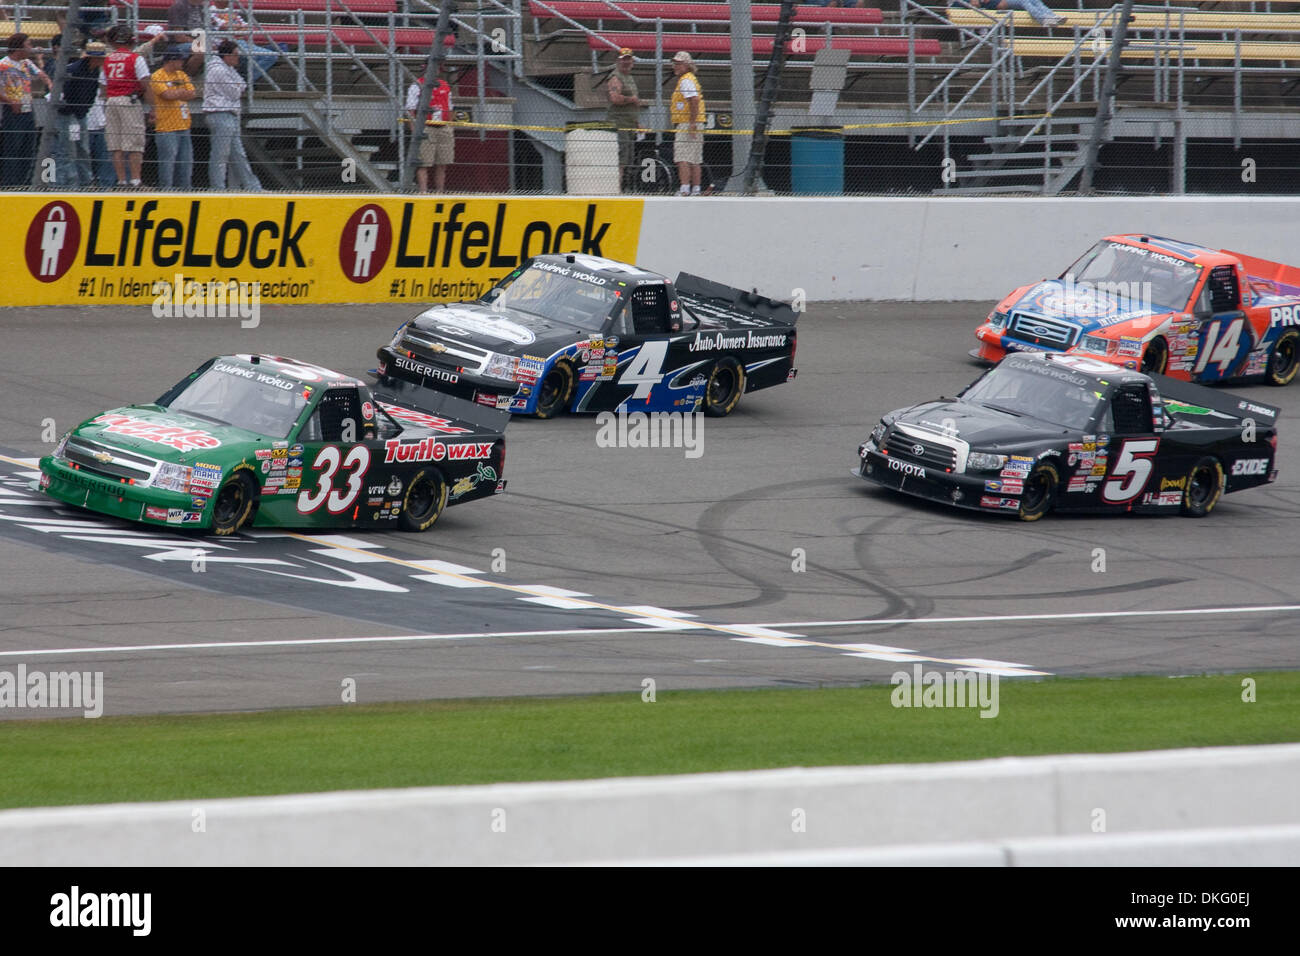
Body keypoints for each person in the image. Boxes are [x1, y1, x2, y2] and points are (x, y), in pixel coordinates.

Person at [203, 39, 261, 190]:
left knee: (238, 154)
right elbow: (234, 92)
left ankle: (252, 186)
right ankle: (218, 188)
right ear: (226, 55)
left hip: (230, 114)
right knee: (220, 155)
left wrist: (237, 86)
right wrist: (237, 87)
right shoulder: (218, 70)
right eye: (235, 54)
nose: (237, 58)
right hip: (220, 114)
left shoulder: (229, 69)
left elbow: (242, 84)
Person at [101, 24, 153, 187]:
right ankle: (136, 180)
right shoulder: (135, 58)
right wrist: (154, 108)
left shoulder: (108, 59)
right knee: (135, 143)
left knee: (116, 145)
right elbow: (145, 84)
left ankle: (121, 180)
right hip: (129, 101)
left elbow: (103, 86)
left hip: (111, 101)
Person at [52, 40, 107, 188]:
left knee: (83, 149)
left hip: (80, 114)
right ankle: (65, 184)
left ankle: (85, 182)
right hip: (67, 114)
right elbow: (66, 94)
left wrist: (84, 109)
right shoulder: (74, 70)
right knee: (66, 151)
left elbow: (91, 93)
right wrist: (76, 110)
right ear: (94, 58)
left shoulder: (94, 71)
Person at [0, 33, 50, 188]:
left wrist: (50, 83)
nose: (31, 48)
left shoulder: (27, 63)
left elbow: (41, 74)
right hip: (12, 112)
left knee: (28, 148)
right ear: (19, 47)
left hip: (28, 110)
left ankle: (23, 182)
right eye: (28, 44)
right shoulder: (3, 65)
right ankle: (9, 183)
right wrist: (10, 102)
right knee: (12, 148)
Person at [405, 61, 454, 194]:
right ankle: (423, 192)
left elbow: (449, 107)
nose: (436, 71)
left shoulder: (445, 85)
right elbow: (410, 110)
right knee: (423, 163)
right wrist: (414, 129)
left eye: (438, 68)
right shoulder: (417, 85)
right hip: (426, 126)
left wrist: (449, 125)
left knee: (443, 163)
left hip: (443, 127)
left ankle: (440, 191)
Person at [151, 47, 196, 189]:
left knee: (186, 162)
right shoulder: (158, 76)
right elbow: (166, 96)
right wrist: (181, 92)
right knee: (168, 162)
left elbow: (192, 94)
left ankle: (185, 191)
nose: (182, 62)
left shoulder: (181, 75)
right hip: (166, 127)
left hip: (184, 125)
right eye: (180, 59)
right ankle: (166, 190)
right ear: (171, 60)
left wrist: (176, 93)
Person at [209, 2, 284, 84]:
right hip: (226, 44)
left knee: (274, 52)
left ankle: (243, 81)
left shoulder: (230, 11)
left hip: (241, 42)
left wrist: (234, 30)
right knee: (270, 56)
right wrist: (237, 29)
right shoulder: (210, 10)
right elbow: (223, 27)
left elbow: (247, 28)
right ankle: (245, 82)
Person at [606, 48, 642, 193]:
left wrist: (637, 122)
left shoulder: (629, 77)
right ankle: (616, 189)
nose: (626, 62)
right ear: (618, 61)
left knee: (627, 160)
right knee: (620, 160)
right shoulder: (616, 77)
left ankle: (622, 188)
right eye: (624, 59)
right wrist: (630, 99)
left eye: (629, 59)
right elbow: (614, 98)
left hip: (629, 125)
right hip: (619, 124)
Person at [669, 50, 704, 196]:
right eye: (675, 63)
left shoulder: (686, 80)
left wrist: (691, 122)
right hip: (696, 121)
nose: (676, 66)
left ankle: (684, 189)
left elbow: (694, 100)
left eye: (679, 63)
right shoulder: (690, 78)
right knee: (695, 159)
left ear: (687, 65)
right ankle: (696, 189)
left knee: (682, 157)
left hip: (687, 123)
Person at [973, 0, 1066, 28]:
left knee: (1035, 0)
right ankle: (1043, 19)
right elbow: (976, 3)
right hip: (995, 3)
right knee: (1024, 1)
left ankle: (1052, 16)